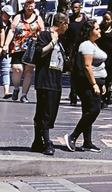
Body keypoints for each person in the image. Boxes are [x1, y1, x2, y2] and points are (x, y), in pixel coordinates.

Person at [63, 18, 107, 152]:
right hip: (88, 83)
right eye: (97, 29)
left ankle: (87, 142)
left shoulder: (93, 44)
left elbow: (97, 65)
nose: (100, 31)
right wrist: (94, 84)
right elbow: (87, 66)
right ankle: (73, 136)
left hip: (97, 81)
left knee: (87, 111)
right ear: (89, 31)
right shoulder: (86, 45)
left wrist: (102, 83)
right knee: (94, 110)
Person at [32, 14, 68, 156]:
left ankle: (37, 141)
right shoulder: (46, 35)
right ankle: (46, 142)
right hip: (46, 79)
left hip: (55, 80)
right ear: (62, 23)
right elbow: (40, 53)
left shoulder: (61, 39)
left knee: (49, 111)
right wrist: (52, 42)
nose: (67, 27)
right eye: (66, 24)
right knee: (45, 112)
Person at [10, 0, 43, 103]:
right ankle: (16, 88)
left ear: (34, 7)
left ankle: (24, 95)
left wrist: (40, 42)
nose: (29, 8)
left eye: (31, 6)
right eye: (27, 6)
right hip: (18, 47)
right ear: (24, 7)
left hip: (31, 48)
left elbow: (42, 31)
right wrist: (6, 44)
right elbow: (11, 30)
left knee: (28, 71)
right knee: (17, 69)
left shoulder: (38, 18)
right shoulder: (18, 17)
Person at [61, 1, 90, 108]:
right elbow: (65, 36)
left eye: (77, 7)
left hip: (84, 49)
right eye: (73, 7)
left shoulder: (85, 19)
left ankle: (81, 93)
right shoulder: (69, 20)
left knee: (82, 72)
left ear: (80, 8)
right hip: (73, 50)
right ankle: (73, 94)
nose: (74, 9)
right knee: (73, 73)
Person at [0, 6, 14, 99]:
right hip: (2, 47)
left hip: (6, 51)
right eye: (7, 14)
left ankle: (6, 91)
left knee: (5, 70)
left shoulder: (10, 24)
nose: (9, 16)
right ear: (2, 13)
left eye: (10, 15)